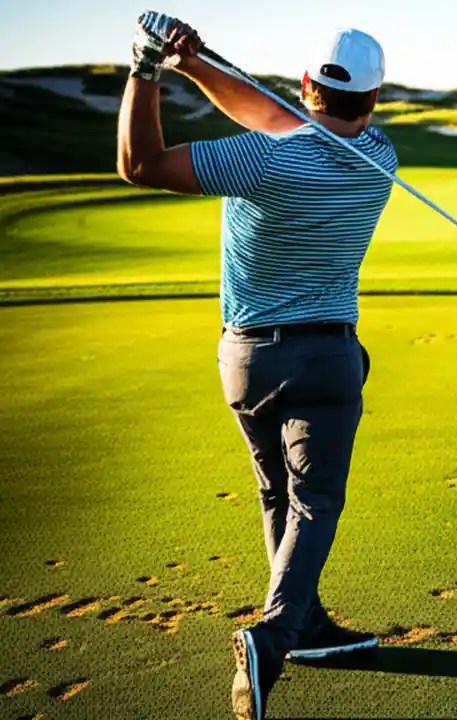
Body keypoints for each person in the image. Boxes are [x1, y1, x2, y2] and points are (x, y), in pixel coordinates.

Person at [117, 12, 397, 720]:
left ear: (308, 85)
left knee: (279, 497)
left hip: (244, 356)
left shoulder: (261, 160)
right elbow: (282, 116)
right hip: (326, 358)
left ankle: (302, 625)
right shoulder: (382, 159)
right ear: (374, 101)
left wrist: (149, 68)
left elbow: (140, 164)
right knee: (315, 503)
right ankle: (273, 637)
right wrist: (196, 63)